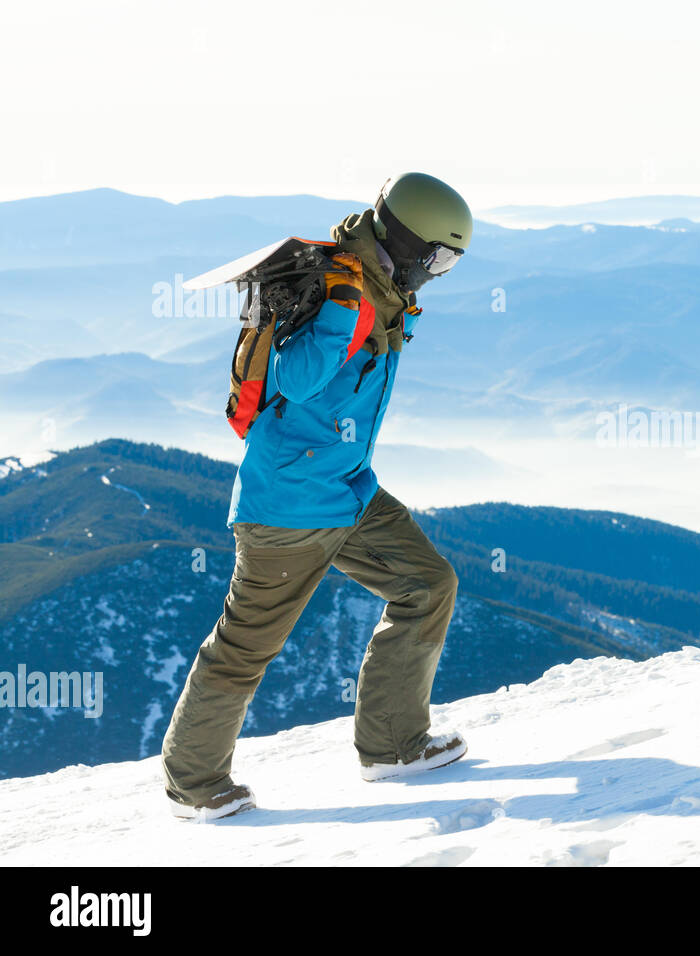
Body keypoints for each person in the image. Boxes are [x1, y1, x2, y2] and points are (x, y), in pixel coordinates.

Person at [161, 173, 473, 820]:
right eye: (439, 256)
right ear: (412, 240)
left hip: (346, 488)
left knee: (428, 584)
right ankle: (194, 787)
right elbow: (300, 380)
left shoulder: (377, 285)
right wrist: (341, 312)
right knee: (244, 647)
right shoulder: (347, 290)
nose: (440, 272)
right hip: (291, 506)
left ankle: (392, 748)